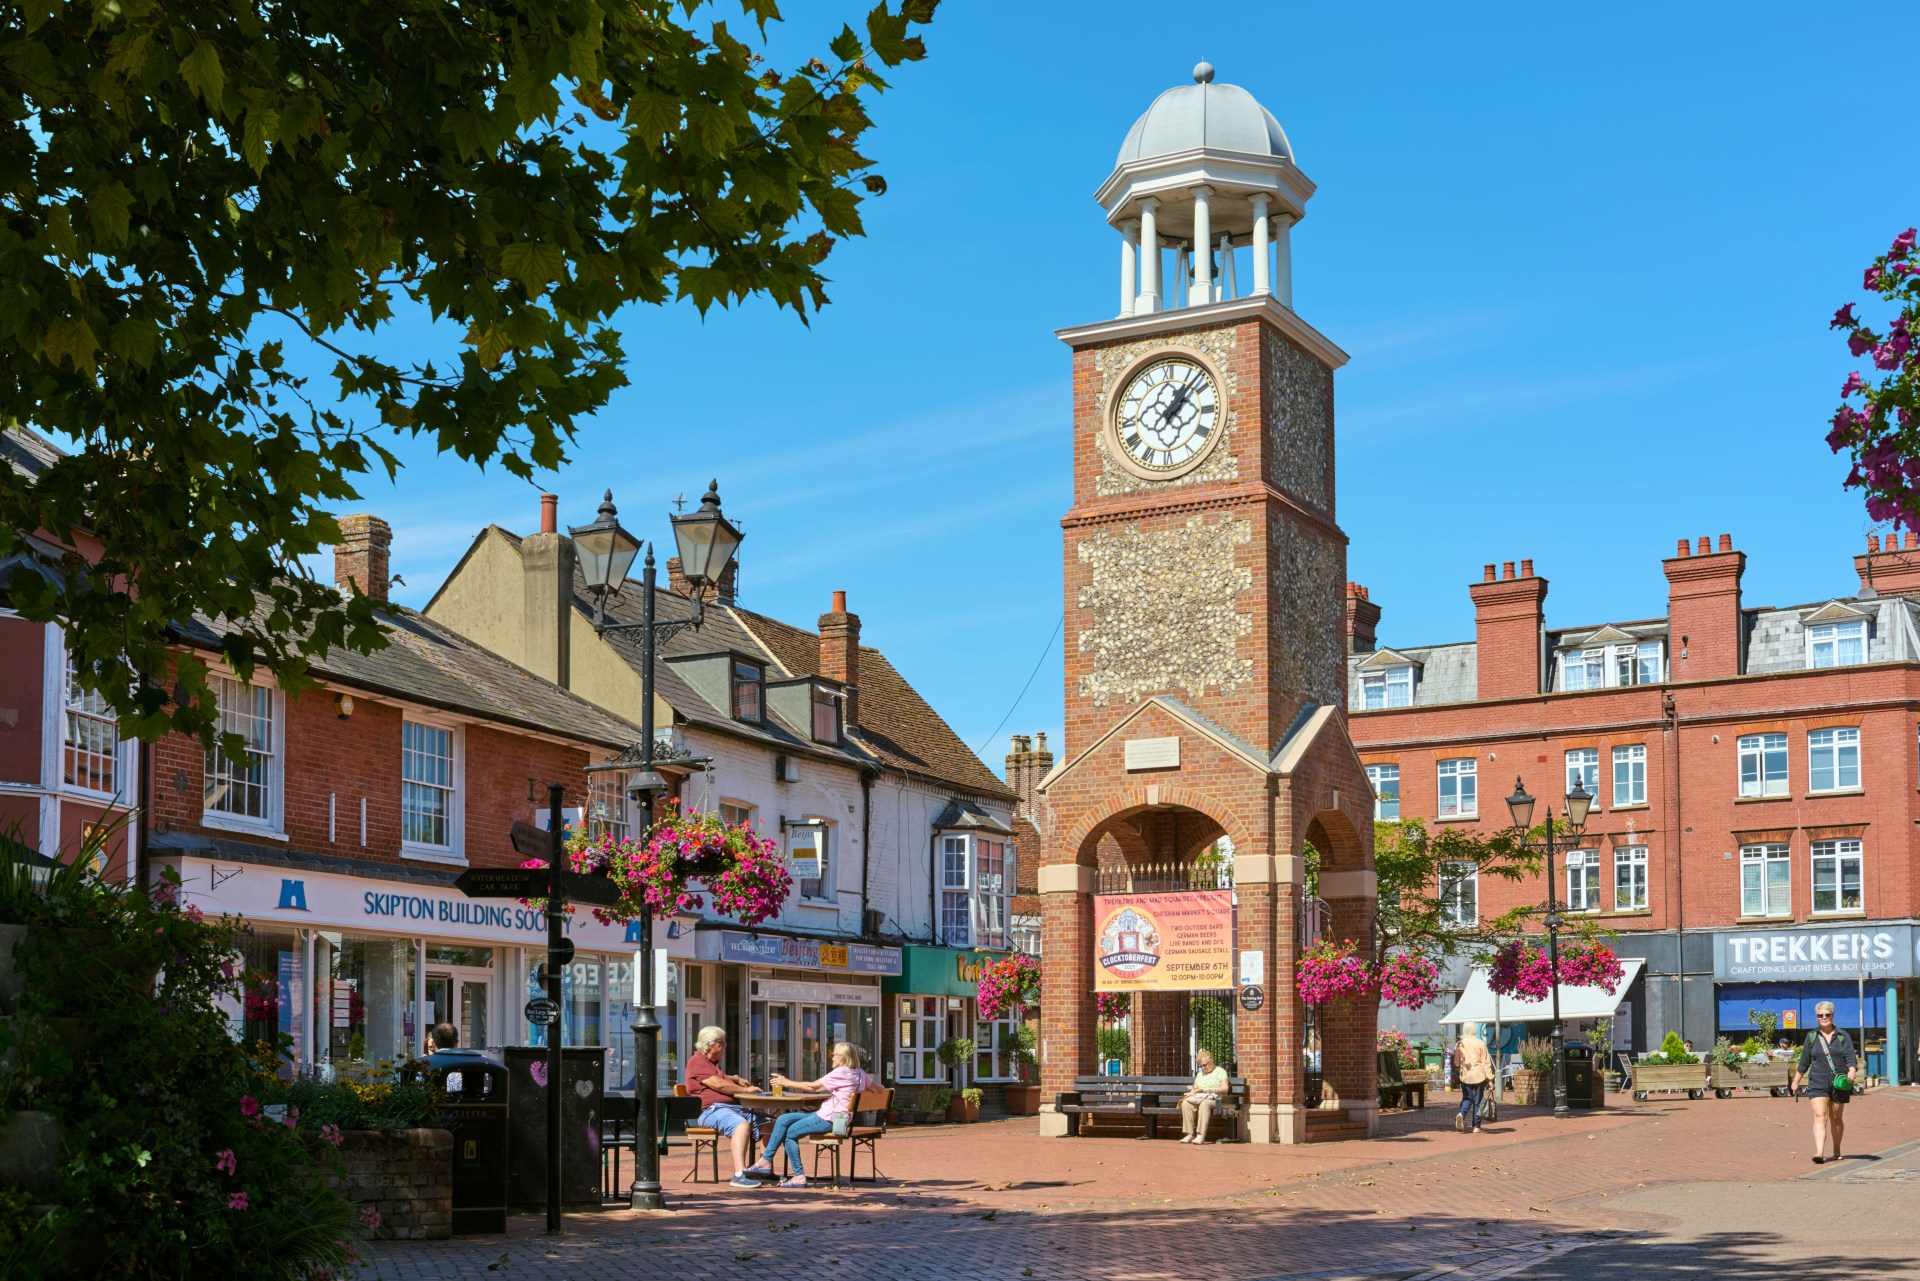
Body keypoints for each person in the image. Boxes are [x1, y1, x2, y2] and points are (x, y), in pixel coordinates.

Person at [740, 1042, 874, 1188]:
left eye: (833, 1054)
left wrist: (786, 1082)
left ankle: (798, 1176)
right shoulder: (860, 1074)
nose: (831, 1058)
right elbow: (880, 1090)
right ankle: (765, 1161)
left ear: (842, 1057)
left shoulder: (841, 1073)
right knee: (784, 1119)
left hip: (829, 1119)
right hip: (834, 1117)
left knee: (790, 1133)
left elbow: (812, 1087)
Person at [684, 1026, 766, 1187]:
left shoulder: (712, 1063)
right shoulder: (697, 1061)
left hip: (731, 1108)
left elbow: (720, 1077)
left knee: (771, 1125)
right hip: (710, 1110)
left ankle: (763, 1168)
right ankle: (739, 1174)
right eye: (721, 1043)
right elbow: (718, 1084)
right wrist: (745, 1090)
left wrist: (735, 1079)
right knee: (741, 1126)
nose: (725, 1046)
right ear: (709, 1044)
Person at [1791, 1001, 1861, 1164]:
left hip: (1839, 1082)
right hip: (1817, 1081)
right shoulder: (1812, 1036)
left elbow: (1850, 1056)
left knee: (1836, 1117)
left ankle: (1836, 1150)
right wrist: (1796, 1081)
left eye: (1827, 1015)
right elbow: (1804, 1061)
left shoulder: (1843, 1035)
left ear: (1832, 1015)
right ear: (1816, 1017)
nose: (1824, 1018)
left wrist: (1851, 1069)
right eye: (1820, 1015)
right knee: (1819, 1116)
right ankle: (1819, 1152)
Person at [1179, 1049, 1230, 1144]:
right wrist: (1193, 1091)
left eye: (1204, 1065)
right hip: (1200, 1097)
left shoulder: (1220, 1071)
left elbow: (1225, 1088)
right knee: (1186, 1103)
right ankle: (1189, 1134)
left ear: (1211, 1060)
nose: (1203, 1068)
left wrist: (1212, 1090)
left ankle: (1201, 1135)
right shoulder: (1200, 1074)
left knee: (1204, 1104)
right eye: (1201, 1066)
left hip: (1215, 1098)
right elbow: (1195, 1087)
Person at [1453, 1026, 1493, 1134]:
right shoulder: (1480, 1043)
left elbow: (1457, 1063)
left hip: (1465, 1075)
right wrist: (1490, 1079)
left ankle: (1461, 1114)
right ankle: (1476, 1127)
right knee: (1478, 1101)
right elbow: (1486, 1062)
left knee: (1467, 1098)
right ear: (1474, 1030)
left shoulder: (1459, 1044)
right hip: (1479, 1075)